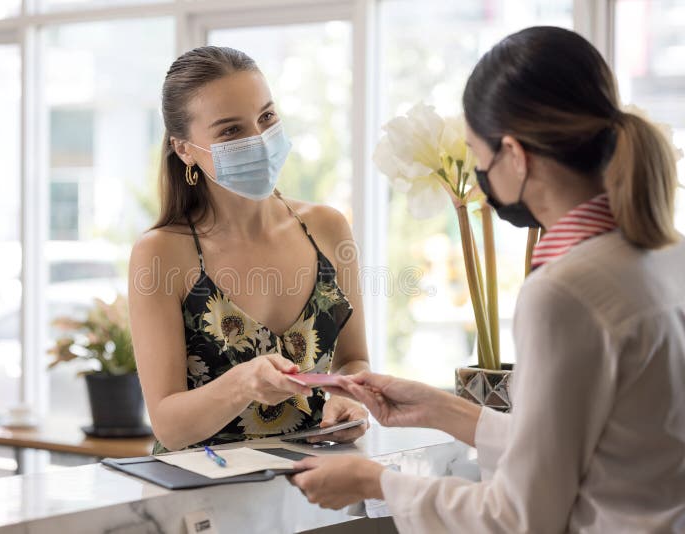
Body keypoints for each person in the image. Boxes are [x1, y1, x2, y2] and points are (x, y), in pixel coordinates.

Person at [290, 26, 685, 533]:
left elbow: (518, 517)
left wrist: (376, 482)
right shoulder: (665, 256)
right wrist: (442, 410)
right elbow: (594, 448)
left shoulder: (564, 292)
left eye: (480, 159)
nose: (480, 178)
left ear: (516, 156)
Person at [128, 46, 369, 454]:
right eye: (230, 131)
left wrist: (349, 398)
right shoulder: (162, 254)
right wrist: (243, 384)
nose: (259, 140)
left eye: (267, 117)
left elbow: (354, 361)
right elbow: (168, 425)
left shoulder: (328, 228)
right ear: (184, 149)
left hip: (317, 487)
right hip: (201, 498)